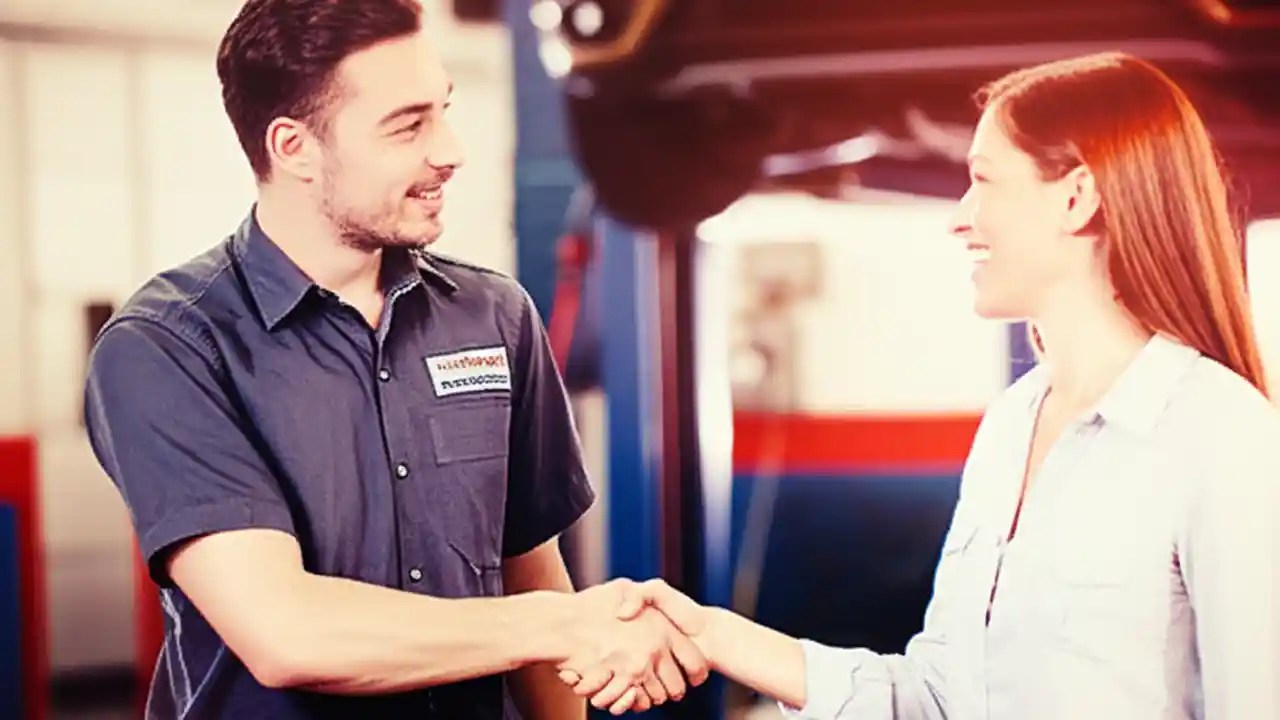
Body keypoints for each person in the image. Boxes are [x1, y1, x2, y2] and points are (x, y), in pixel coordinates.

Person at [565, 52, 1280, 719]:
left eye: (986, 180)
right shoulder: (1011, 425)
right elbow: (936, 697)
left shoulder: (1219, 433)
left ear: (1077, 198)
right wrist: (714, 635)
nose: (959, 216)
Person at [82, 0, 707, 717]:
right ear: (294, 148)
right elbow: (287, 634)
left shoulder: (495, 317)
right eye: (408, 125)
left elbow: (533, 577)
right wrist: (564, 626)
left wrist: (558, 630)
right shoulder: (168, 348)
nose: (449, 149)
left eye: (442, 109)